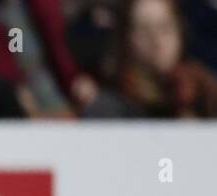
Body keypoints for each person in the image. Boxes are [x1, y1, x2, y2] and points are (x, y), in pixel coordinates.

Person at [84, 0, 217, 118]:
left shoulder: (205, 94)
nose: (156, 40)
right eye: (144, 30)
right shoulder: (108, 109)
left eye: (164, 28)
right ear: (126, 38)